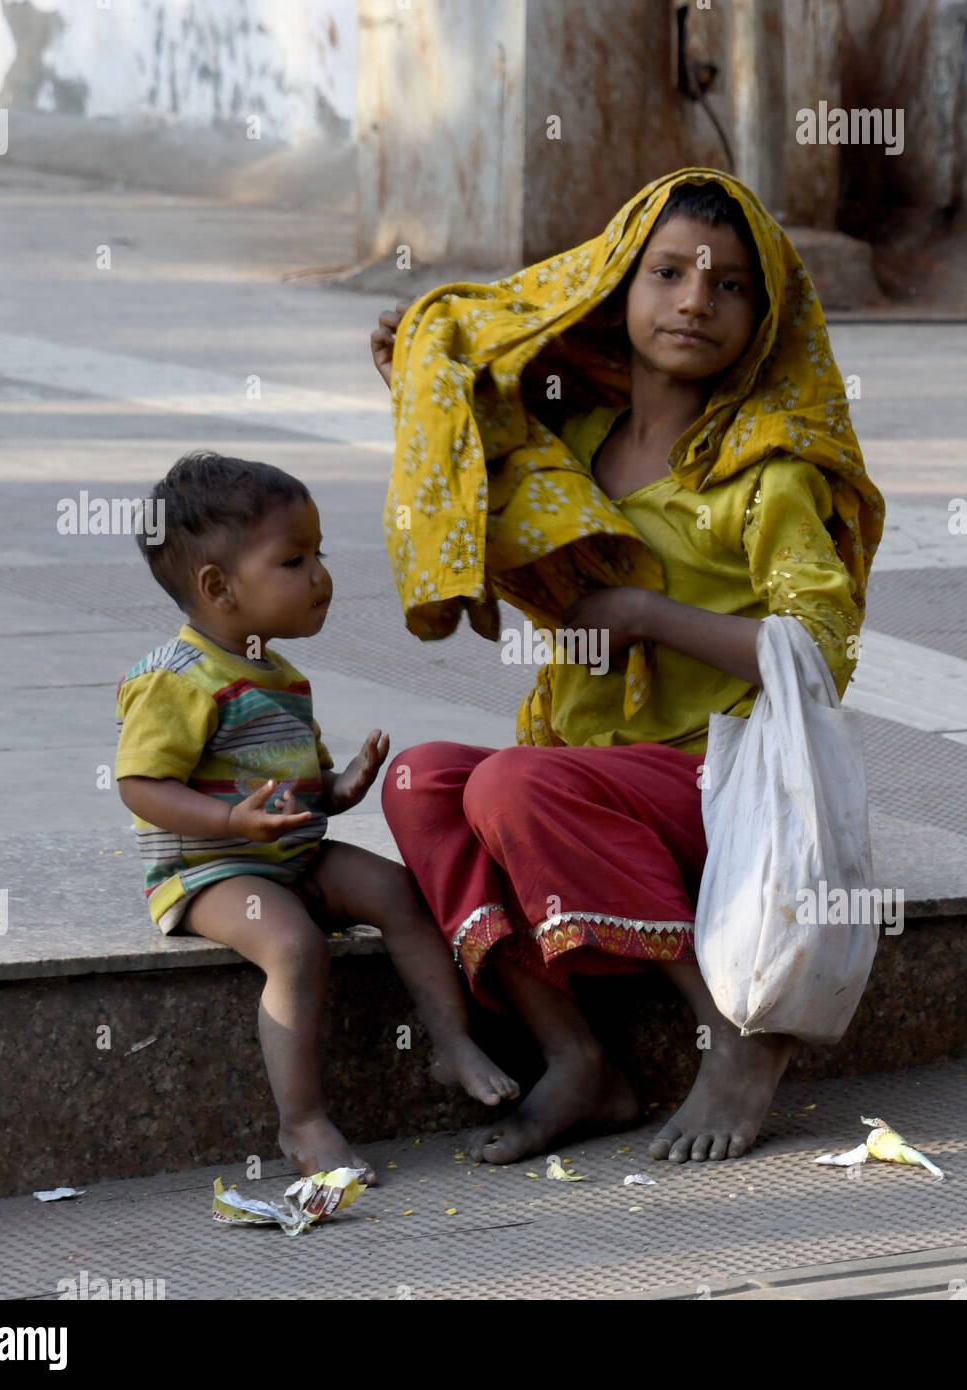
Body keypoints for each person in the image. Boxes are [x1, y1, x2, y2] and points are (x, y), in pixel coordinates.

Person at [370, 168, 885, 1166]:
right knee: (421, 779)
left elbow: (820, 648)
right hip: (583, 783)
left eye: (730, 284)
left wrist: (650, 614)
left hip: (717, 786)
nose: (695, 299)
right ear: (617, 284)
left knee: (513, 782)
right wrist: (416, 376)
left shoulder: (762, 470)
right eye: (668, 272)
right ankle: (577, 1059)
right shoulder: (582, 438)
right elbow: (480, 459)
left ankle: (733, 1030)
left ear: (765, 314)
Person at [114, 451, 518, 1186]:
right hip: (208, 869)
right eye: (295, 560)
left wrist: (336, 789)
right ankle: (302, 1123)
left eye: (319, 553)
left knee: (401, 893)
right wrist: (230, 822)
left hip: (292, 855)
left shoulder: (277, 672)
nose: (321, 577)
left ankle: (449, 1041)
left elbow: (295, 787)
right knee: (294, 946)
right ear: (217, 587)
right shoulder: (173, 678)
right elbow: (140, 785)